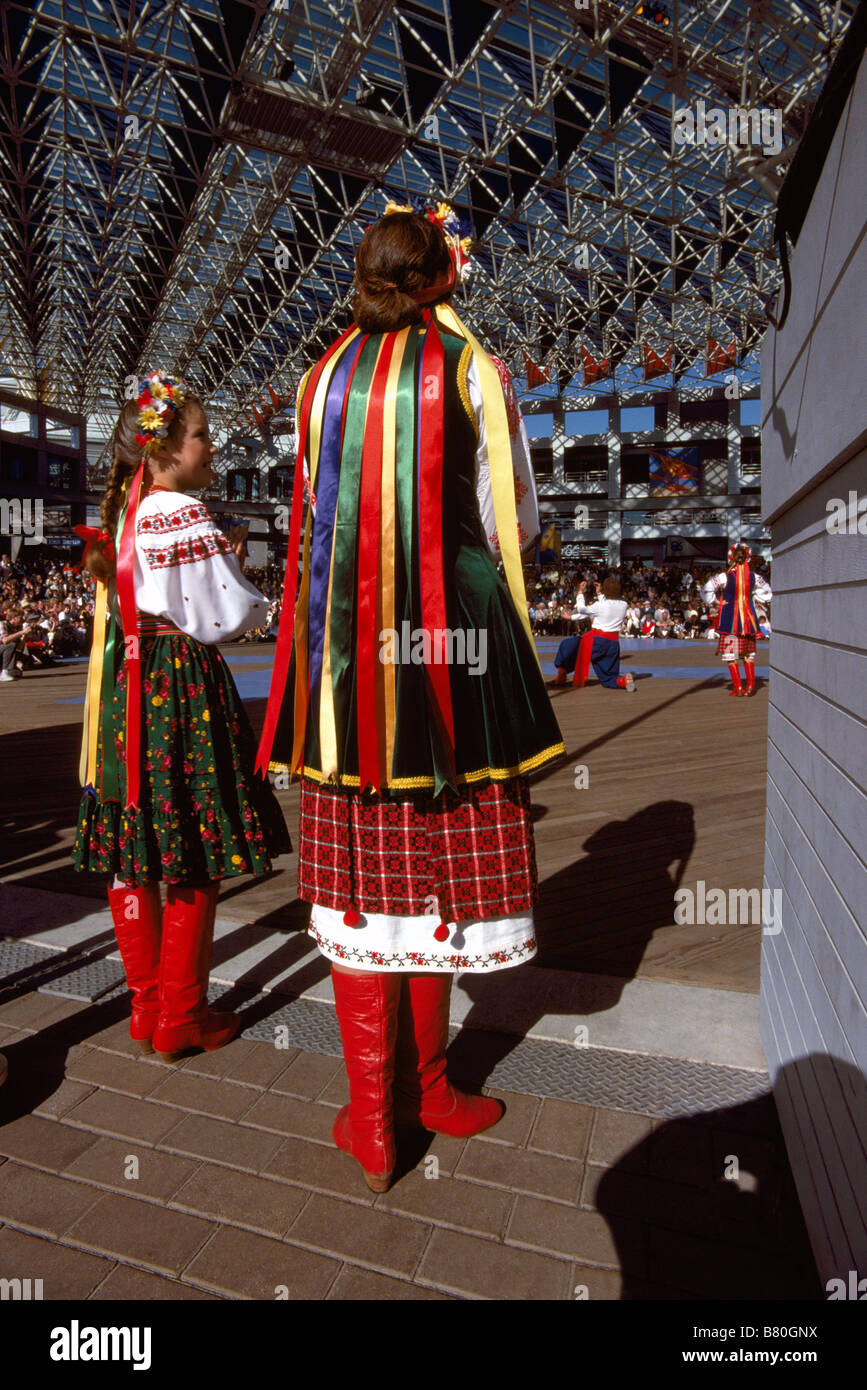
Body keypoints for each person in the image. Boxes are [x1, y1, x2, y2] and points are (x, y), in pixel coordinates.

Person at [255, 201, 565, 1192]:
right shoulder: (471, 367)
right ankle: (430, 1089)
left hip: (345, 661)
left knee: (358, 878)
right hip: (452, 654)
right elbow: (506, 513)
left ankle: (372, 1119)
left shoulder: (317, 379)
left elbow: (310, 509)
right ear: (442, 277)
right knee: (433, 863)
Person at [71, 372, 292, 1060]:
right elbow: (226, 616)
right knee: (191, 848)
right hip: (183, 685)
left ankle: (145, 1008)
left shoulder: (126, 513)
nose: (209, 444)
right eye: (198, 434)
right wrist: (253, 586)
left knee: (135, 844)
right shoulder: (185, 514)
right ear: (162, 448)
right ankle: (182, 1015)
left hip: (127, 688)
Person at [704, 543, 769, 696]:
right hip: (747, 619)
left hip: (729, 620)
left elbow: (706, 589)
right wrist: (755, 598)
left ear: (731, 558)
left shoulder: (724, 577)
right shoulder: (754, 576)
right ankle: (750, 687)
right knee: (748, 655)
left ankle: (738, 687)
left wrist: (716, 602)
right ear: (747, 557)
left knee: (731, 654)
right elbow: (767, 591)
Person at [552, 578, 635, 691]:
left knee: (568, 645)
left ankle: (562, 673)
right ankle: (623, 681)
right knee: (608, 677)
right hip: (613, 644)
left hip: (597, 641)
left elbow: (582, 609)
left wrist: (580, 592)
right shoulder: (624, 605)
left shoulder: (600, 605)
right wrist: (600, 593)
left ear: (606, 590)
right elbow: (608, 605)